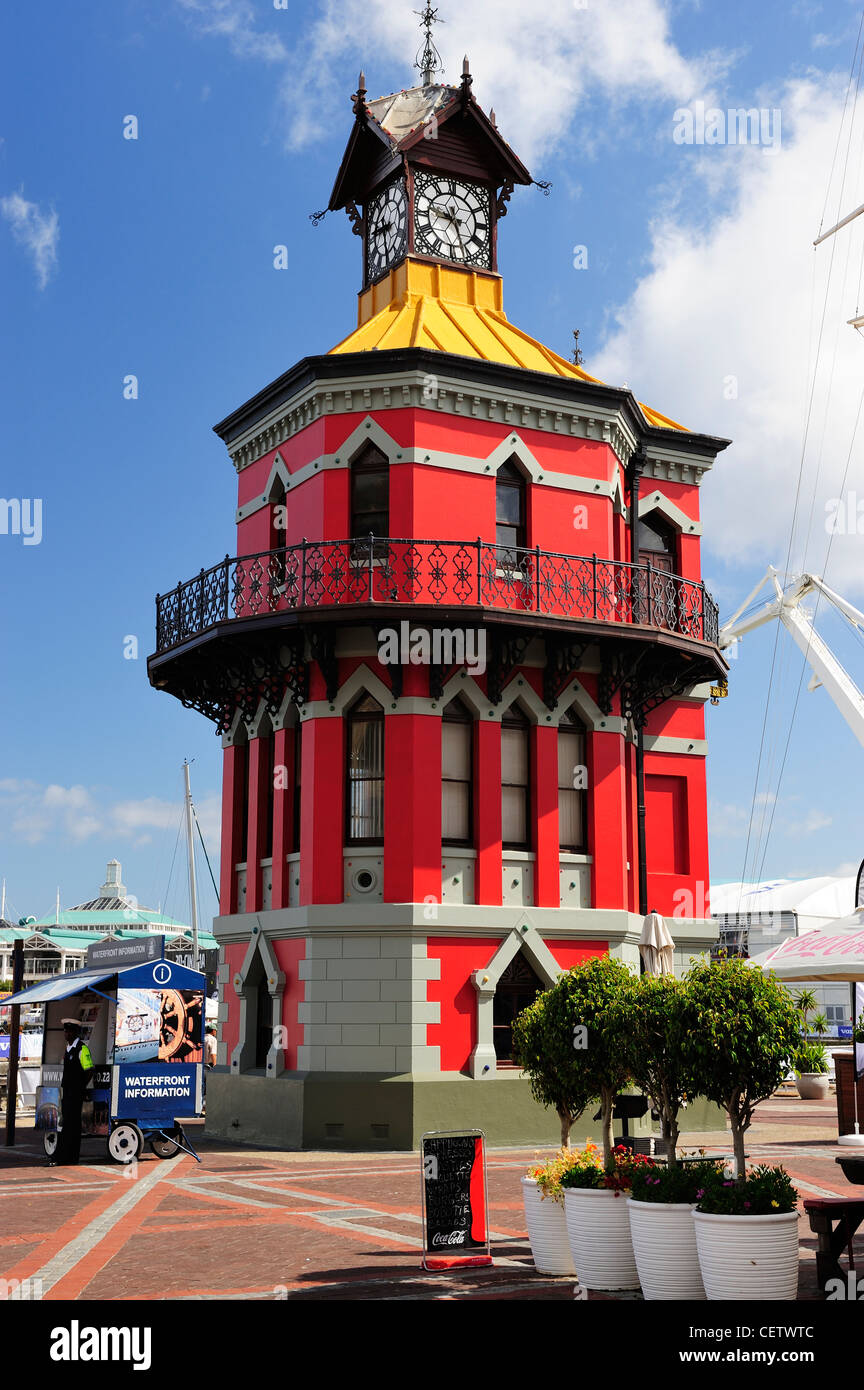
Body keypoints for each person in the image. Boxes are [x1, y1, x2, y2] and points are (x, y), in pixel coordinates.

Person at [51, 1020, 94, 1166]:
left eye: (69, 1031)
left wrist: (80, 1087)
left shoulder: (82, 1049)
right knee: (66, 1125)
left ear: (75, 1032)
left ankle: (70, 1157)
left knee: (73, 1126)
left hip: (75, 1093)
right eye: (65, 1031)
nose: (66, 1034)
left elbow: (89, 1070)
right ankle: (64, 1156)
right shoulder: (68, 1048)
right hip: (67, 1092)